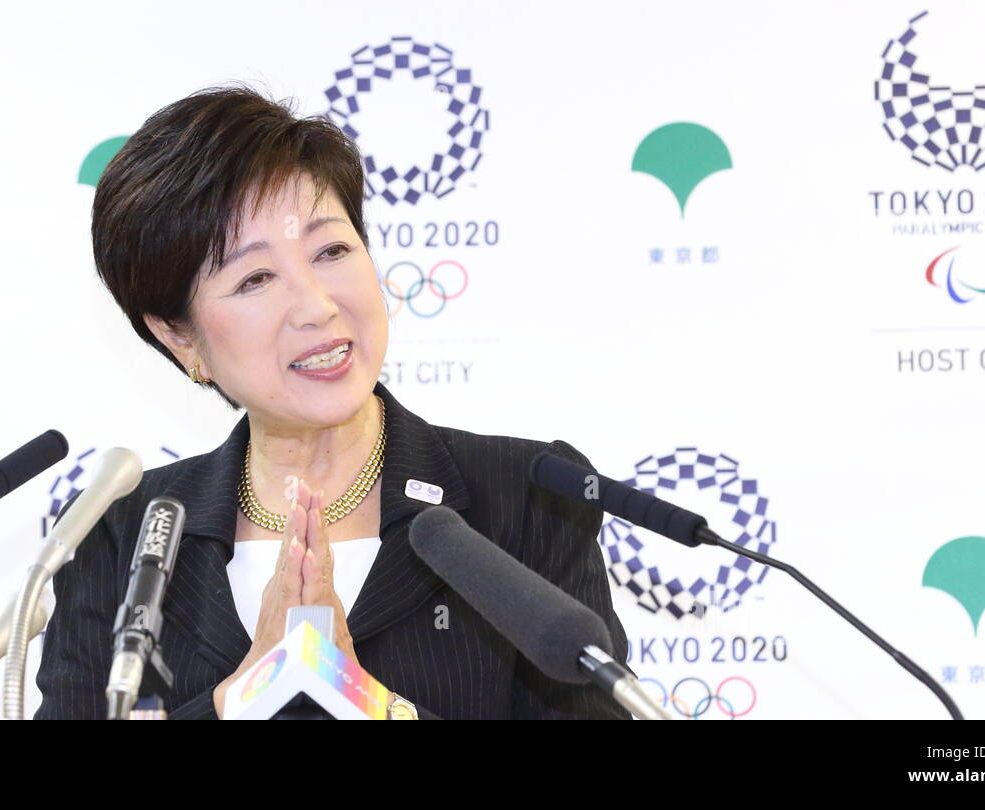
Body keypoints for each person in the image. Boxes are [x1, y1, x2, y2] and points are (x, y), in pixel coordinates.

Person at [34, 84, 630, 719]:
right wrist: (241, 701)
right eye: (255, 278)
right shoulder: (121, 537)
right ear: (181, 338)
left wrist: (360, 700)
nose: (318, 305)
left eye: (332, 251)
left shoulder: (527, 499)